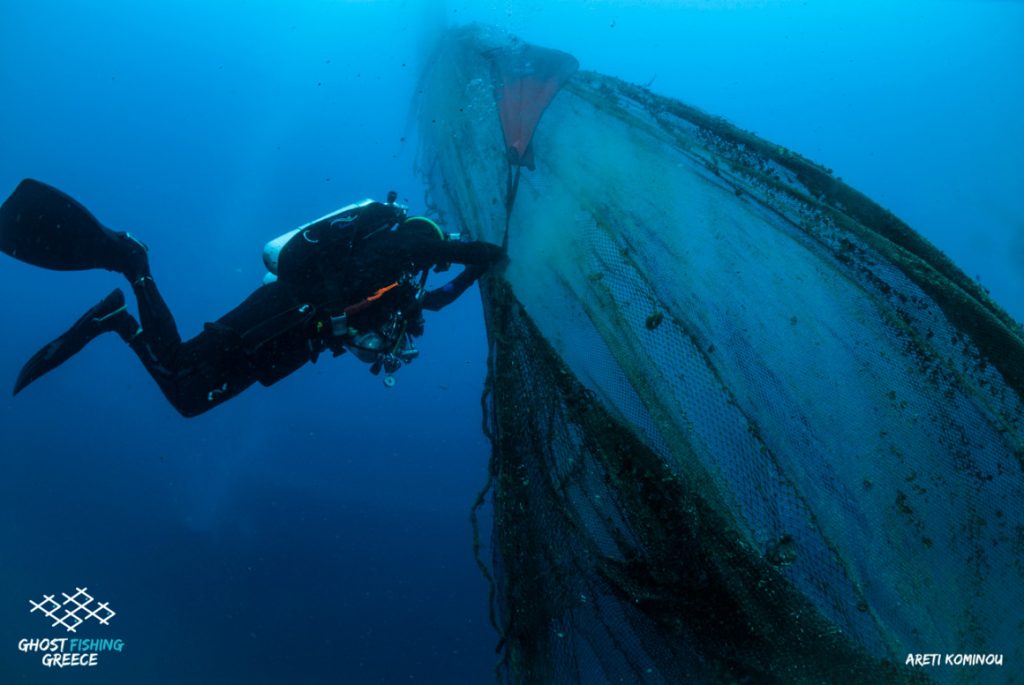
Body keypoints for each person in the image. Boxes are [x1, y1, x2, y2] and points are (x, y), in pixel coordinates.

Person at [0, 179, 504, 417]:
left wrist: (473, 273)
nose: (426, 264)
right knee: (183, 374)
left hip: (293, 338)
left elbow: (434, 301)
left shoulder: (399, 285)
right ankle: (135, 270)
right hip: (284, 314)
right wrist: (494, 252)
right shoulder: (399, 245)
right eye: (428, 250)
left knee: (189, 397)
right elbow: (434, 250)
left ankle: (118, 317)